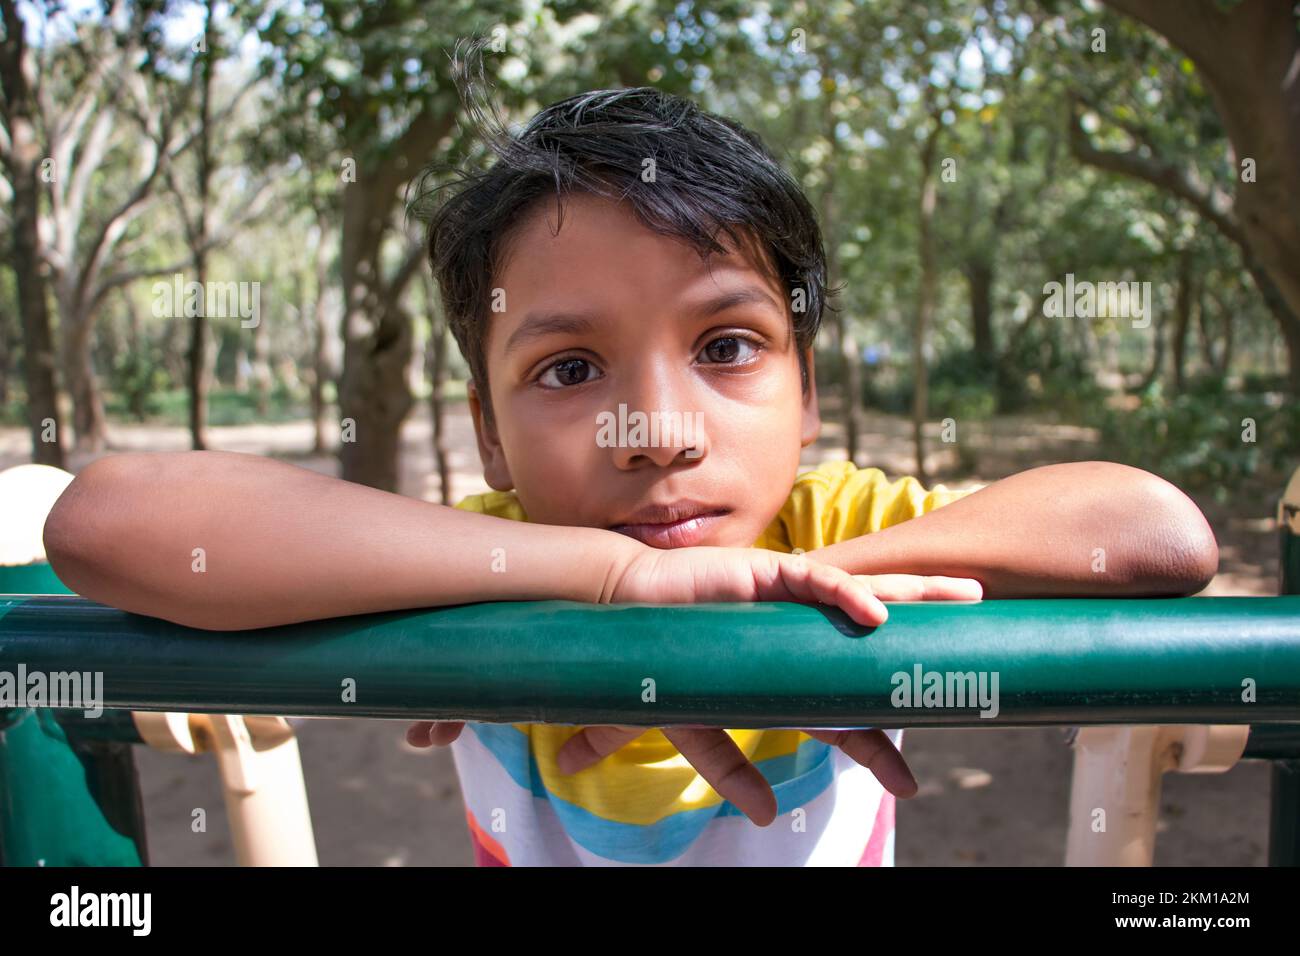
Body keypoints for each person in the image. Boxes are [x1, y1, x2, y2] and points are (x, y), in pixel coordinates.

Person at [42, 84, 1218, 868]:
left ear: (805, 397)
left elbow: (1157, 532)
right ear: (489, 434)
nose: (655, 429)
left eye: (724, 347)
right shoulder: (482, 556)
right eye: (568, 366)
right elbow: (108, 519)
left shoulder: (836, 524)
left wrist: (783, 594)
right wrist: (606, 581)